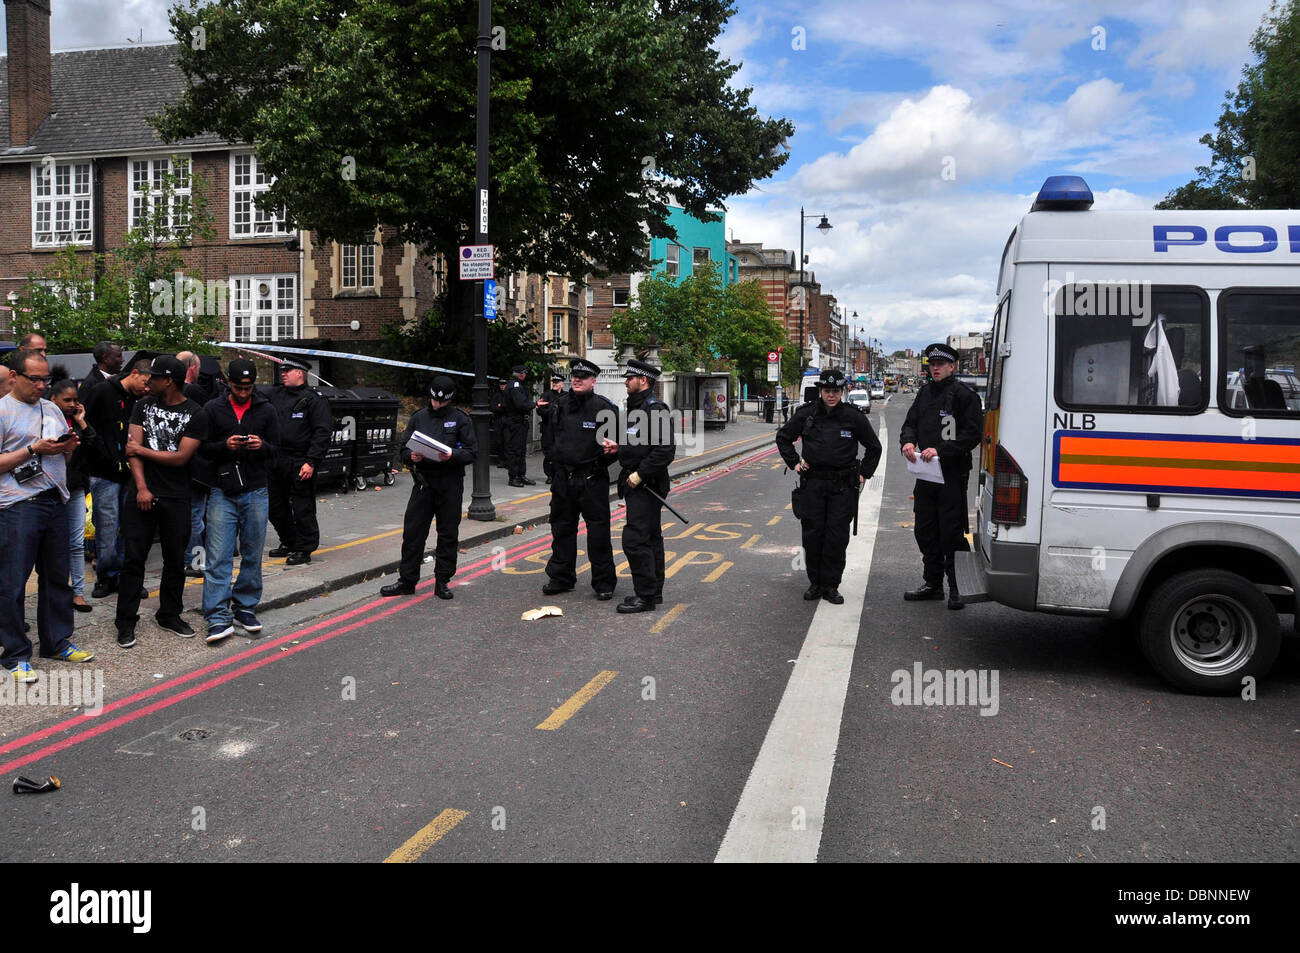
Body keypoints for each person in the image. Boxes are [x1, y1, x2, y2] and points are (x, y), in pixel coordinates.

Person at [0, 352, 95, 681]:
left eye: (45, 381)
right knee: (13, 582)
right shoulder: (2, 411)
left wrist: (67, 448)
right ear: (15, 376)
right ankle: (14, 654)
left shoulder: (51, 408)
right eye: (34, 379)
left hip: (56, 498)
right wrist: (32, 450)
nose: (41, 386)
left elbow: (62, 453)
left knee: (58, 577)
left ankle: (55, 641)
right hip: (18, 504)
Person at [115, 356, 209, 647]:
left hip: (177, 496)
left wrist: (143, 450)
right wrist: (142, 488)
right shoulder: (142, 405)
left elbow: (181, 457)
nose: (148, 380)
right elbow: (132, 451)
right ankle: (126, 621)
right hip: (142, 493)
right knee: (134, 559)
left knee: (174, 561)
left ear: (168, 380)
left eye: (153, 377)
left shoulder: (196, 413)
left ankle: (169, 614)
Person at [775, 368, 882, 604]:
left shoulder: (853, 417)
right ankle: (815, 583)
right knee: (813, 535)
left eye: (835, 391)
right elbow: (783, 437)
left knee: (836, 536)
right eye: (826, 390)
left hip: (842, 487)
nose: (831, 395)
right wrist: (794, 463)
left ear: (842, 391)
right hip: (812, 484)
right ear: (820, 391)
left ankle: (831, 585)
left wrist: (864, 474)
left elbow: (874, 447)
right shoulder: (806, 414)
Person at [200, 359, 279, 643]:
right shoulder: (213, 409)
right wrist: (225, 446)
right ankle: (218, 616)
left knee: (252, 552)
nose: (243, 392)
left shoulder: (267, 409)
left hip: (256, 489)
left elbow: (277, 450)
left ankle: (245, 607)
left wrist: (262, 446)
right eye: (237, 387)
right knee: (218, 556)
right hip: (223, 491)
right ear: (228, 383)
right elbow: (202, 449)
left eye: (248, 387)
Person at [900, 343, 983, 610]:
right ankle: (933, 584)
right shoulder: (924, 393)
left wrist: (942, 450)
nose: (935, 368)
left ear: (952, 366)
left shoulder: (965, 396)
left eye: (940, 364)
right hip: (925, 475)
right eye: (932, 364)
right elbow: (910, 424)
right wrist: (908, 442)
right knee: (925, 530)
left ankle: (958, 588)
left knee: (951, 533)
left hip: (951, 474)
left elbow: (972, 434)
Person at [380, 376, 476, 599]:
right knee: (413, 533)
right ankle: (407, 580)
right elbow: (403, 449)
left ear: (449, 400)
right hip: (423, 483)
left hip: (450, 484)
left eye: (442, 402)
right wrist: (410, 457)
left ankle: (442, 581)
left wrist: (451, 454)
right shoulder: (419, 418)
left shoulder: (460, 419)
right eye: (434, 400)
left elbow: (472, 452)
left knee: (448, 533)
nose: (437, 404)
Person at [537, 359, 619, 601]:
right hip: (563, 478)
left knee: (599, 533)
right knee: (561, 529)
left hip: (592, 479)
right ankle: (561, 577)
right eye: (574, 376)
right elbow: (550, 440)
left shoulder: (604, 409)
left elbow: (614, 449)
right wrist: (554, 467)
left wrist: (596, 466)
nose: (577, 380)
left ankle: (603, 582)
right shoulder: (559, 405)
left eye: (583, 377)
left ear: (594, 381)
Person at [83, 355, 152, 599]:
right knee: (107, 527)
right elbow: (85, 426)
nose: (147, 389)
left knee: (130, 527)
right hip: (104, 473)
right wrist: (102, 456)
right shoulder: (101, 391)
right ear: (134, 373)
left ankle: (128, 577)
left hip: (130, 473)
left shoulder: (139, 401)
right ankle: (106, 577)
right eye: (145, 383)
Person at [616, 359, 676, 614]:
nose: (626, 382)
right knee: (651, 538)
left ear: (643, 380)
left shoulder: (654, 409)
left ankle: (646, 596)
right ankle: (654, 592)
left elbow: (665, 450)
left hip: (646, 485)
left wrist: (639, 475)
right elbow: (639, 444)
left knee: (635, 540)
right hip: (638, 483)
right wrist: (618, 449)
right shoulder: (637, 409)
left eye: (630, 378)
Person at [267, 358, 331, 565]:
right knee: (275, 506)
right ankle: (289, 540)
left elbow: (322, 433)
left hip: (300, 460)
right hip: (277, 459)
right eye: (282, 370)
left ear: (300, 373)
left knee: (302, 507)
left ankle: (305, 548)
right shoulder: (277, 396)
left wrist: (311, 461)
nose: (283, 373)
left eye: (288, 370)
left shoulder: (314, 400)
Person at [50, 378, 103, 612]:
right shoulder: (46, 421)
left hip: (75, 488)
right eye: (67, 400)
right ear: (53, 400)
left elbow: (95, 446)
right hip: (50, 491)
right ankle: (57, 592)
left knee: (75, 543)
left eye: (75, 400)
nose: (72, 404)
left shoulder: (78, 423)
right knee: (52, 545)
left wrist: (81, 421)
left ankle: (78, 593)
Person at [176, 351, 214, 576]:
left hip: (173, 466)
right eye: (198, 368)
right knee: (195, 517)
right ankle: (194, 561)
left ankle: (185, 558)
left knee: (184, 516)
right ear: (192, 368)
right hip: (195, 466)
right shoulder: (194, 392)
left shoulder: (167, 393)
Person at [503, 364, 535, 487]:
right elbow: (521, 404)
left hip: (519, 422)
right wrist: (534, 404)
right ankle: (514, 477)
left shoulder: (516, 385)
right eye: (524, 373)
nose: (525, 375)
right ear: (521, 374)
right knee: (515, 450)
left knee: (521, 451)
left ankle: (521, 475)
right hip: (515, 423)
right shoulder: (515, 386)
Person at [539, 371, 565, 484]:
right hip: (548, 429)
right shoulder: (546, 395)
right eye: (553, 382)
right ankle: (550, 475)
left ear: (562, 384)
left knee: (561, 452)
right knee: (549, 453)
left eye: (557, 382)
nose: (555, 384)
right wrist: (552, 409)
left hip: (562, 430)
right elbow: (540, 410)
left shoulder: (566, 396)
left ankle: (560, 473)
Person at [78, 341, 124, 405]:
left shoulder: (122, 378)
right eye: (119, 356)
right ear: (105, 358)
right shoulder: (89, 385)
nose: (122, 360)